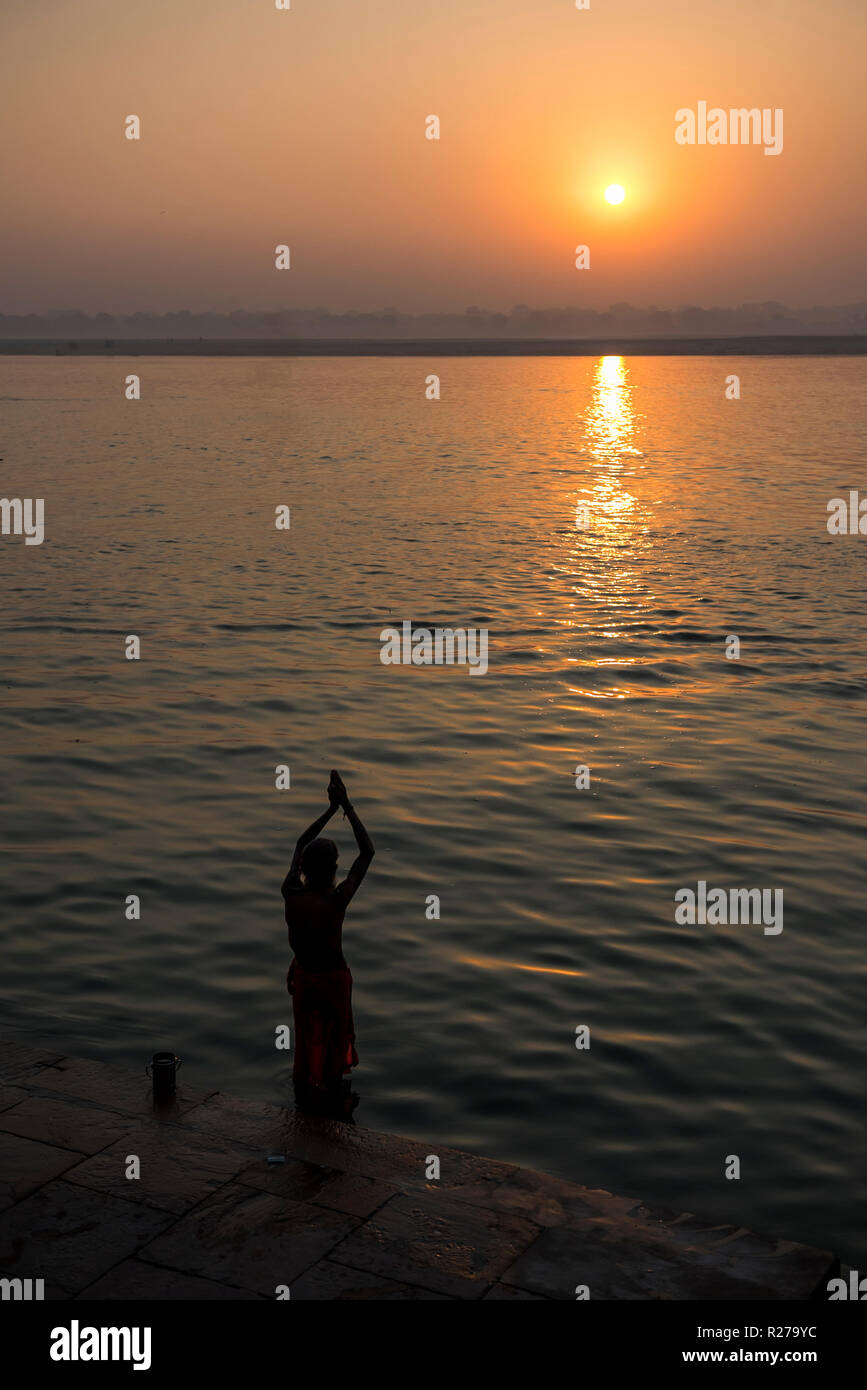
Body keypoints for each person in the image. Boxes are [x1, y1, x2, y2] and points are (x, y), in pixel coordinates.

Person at [282, 771, 374, 1103]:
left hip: (306, 977)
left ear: (303, 867)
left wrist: (330, 810)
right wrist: (346, 805)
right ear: (335, 869)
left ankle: (306, 1097)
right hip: (333, 980)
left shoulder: (291, 891)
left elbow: (298, 843)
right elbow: (367, 853)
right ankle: (333, 1106)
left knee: (308, 1041)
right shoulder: (336, 900)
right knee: (335, 1043)